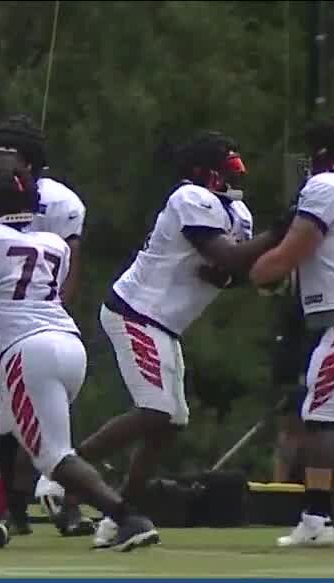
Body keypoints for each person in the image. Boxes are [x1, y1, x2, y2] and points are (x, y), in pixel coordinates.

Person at [0, 166, 161, 551]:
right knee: (28, 437)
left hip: (27, 350)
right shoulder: (53, 243)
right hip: (68, 344)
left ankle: (127, 518)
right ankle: (11, 517)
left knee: (51, 455)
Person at [74, 131, 278, 548]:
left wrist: (249, 266)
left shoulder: (236, 211)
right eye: (225, 169)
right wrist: (282, 232)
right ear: (206, 173)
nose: (233, 177)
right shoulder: (188, 197)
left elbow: (231, 272)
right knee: (154, 410)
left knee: (170, 423)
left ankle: (118, 517)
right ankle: (63, 474)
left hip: (164, 324)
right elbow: (232, 259)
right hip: (136, 312)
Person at [0, 115, 92, 537]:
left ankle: (66, 503)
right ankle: (12, 508)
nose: (5, 164)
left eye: (13, 156)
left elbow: (72, 267)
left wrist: (50, 310)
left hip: (40, 320)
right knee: (6, 420)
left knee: (51, 415)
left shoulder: (61, 204)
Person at [250, 112, 334, 548]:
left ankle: (317, 519)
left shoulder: (327, 187)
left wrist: (257, 271)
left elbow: (293, 250)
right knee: (323, 415)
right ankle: (316, 517)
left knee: (320, 417)